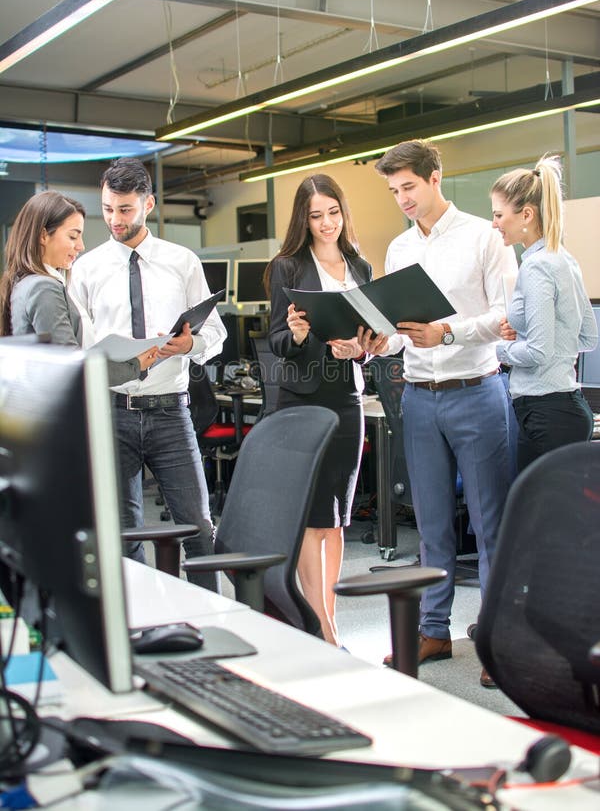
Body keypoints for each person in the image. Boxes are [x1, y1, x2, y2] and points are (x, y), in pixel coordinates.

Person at [358, 139, 517, 688]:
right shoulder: (399, 250)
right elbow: (403, 333)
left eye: (408, 187)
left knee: (490, 521)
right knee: (430, 525)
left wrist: (449, 330)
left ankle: (497, 640)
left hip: (477, 390)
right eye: (393, 190)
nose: (401, 198)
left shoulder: (482, 237)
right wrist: (382, 344)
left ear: (434, 178)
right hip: (420, 397)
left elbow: (506, 314)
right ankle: (433, 630)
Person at [70, 158, 227, 591]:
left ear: (148, 204)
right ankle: (138, 634)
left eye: (125, 210)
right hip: (112, 412)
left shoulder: (182, 261)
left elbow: (216, 332)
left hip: (170, 413)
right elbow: (81, 347)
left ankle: (209, 622)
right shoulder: (86, 269)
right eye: (107, 209)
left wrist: (189, 344)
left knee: (197, 526)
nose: (115, 220)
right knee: (123, 535)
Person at [265, 174, 371, 645]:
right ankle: (323, 630)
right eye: (315, 215)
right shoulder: (288, 267)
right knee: (312, 518)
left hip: (347, 396)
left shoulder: (360, 265)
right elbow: (277, 341)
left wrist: (367, 347)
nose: (326, 223)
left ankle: (328, 620)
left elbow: (371, 334)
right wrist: (302, 335)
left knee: (337, 518)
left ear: (342, 212)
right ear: (302, 220)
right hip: (303, 399)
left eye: (332, 212)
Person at [491, 155, 597, 472]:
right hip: (567, 409)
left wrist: (497, 349)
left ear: (526, 214)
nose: (494, 223)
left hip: (544, 412)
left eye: (498, 214)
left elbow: (538, 350)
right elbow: (588, 337)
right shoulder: (563, 258)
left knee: (541, 516)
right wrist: (528, 336)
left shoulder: (536, 267)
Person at [0, 191, 157, 384]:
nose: (81, 246)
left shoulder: (27, 282)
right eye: (73, 237)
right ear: (43, 236)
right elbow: (71, 365)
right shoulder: (43, 287)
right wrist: (134, 366)